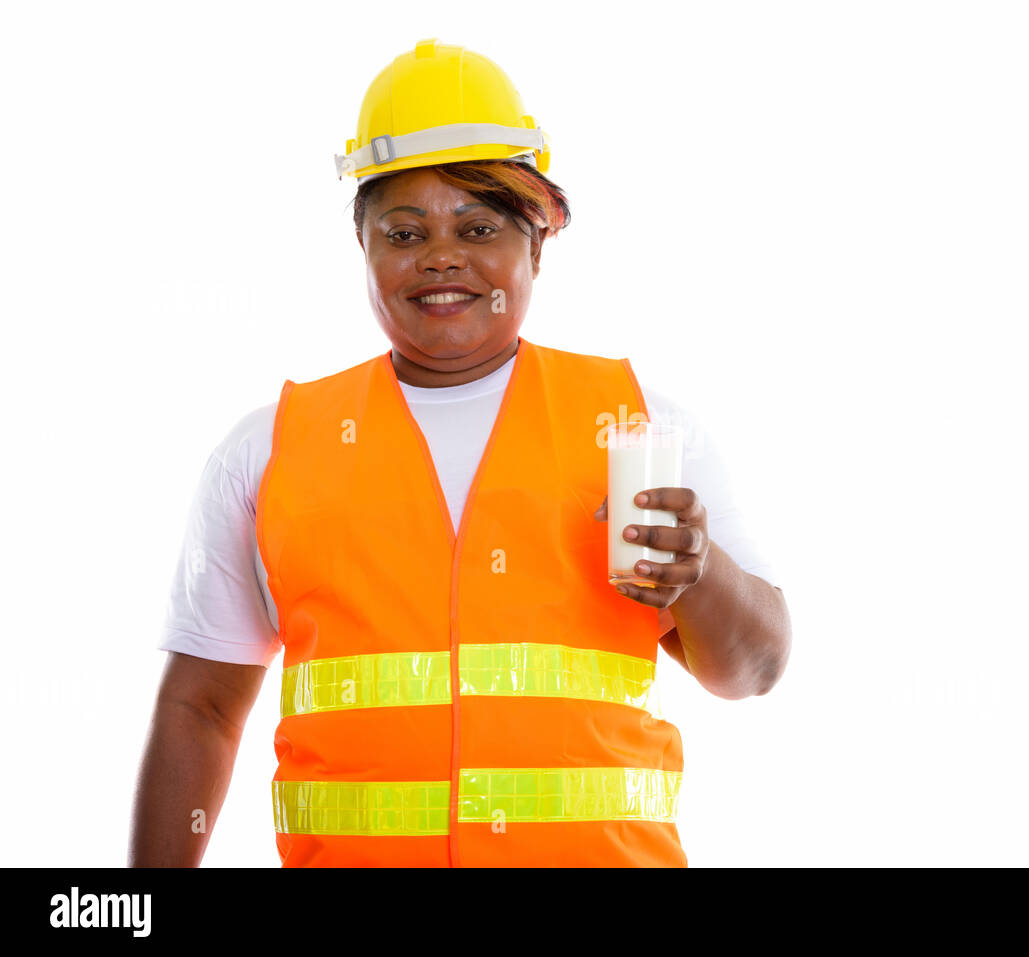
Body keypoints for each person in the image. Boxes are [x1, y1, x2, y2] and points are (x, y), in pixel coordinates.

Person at [130, 38, 791, 868]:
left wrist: (702, 576)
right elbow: (201, 710)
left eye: (477, 227)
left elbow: (754, 670)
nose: (441, 256)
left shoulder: (643, 429)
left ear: (536, 247)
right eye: (404, 231)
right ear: (363, 247)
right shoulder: (268, 449)